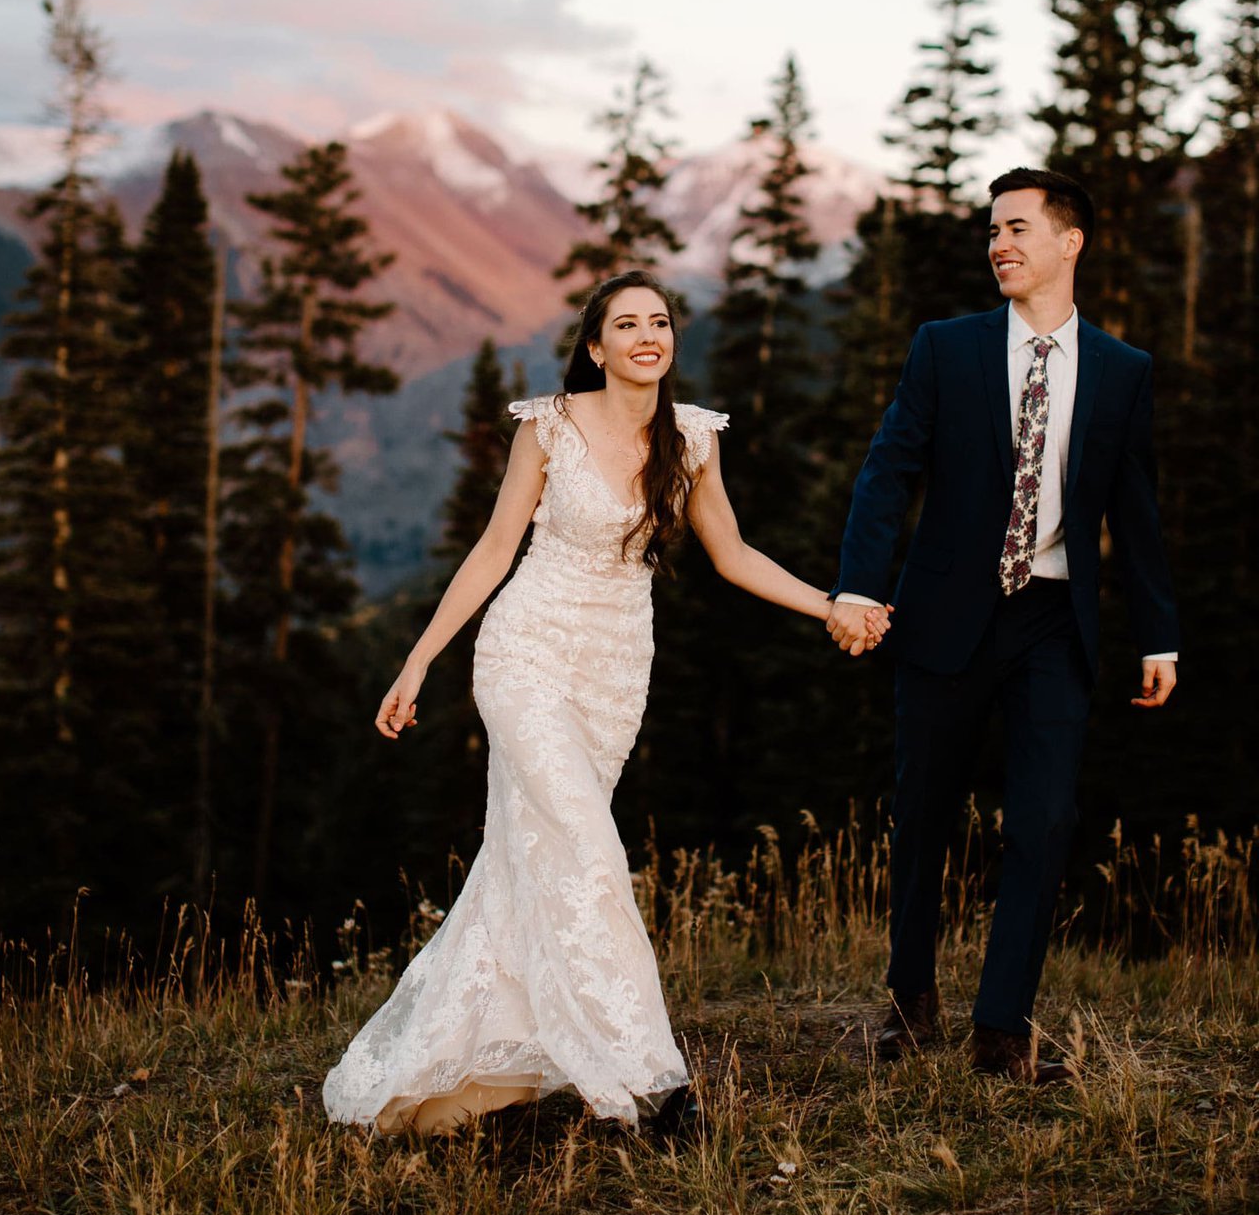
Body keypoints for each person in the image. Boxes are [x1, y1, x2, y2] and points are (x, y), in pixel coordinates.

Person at [323, 269, 889, 1138]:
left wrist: (833, 604)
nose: (646, 336)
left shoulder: (695, 439)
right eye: (625, 325)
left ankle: (479, 1060)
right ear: (596, 348)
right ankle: (650, 1083)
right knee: (586, 848)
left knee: (531, 859)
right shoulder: (549, 426)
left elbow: (733, 554)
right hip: (526, 655)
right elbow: (493, 549)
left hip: (616, 671)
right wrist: (418, 661)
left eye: (658, 322)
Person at [826, 168, 1179, 1084]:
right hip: (943, 616)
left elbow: (1137, 513)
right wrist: (858, 589)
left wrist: (1157, 635)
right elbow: (887, 471)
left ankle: (1002, 1033)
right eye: (992, 231)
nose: (998, 245)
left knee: (1046, 817)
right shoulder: (947, 349)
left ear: (1072, 242)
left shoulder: (1124, 371)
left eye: (1017, 228)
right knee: (923, 815)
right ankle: (910, 1004)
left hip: (1056, 622)